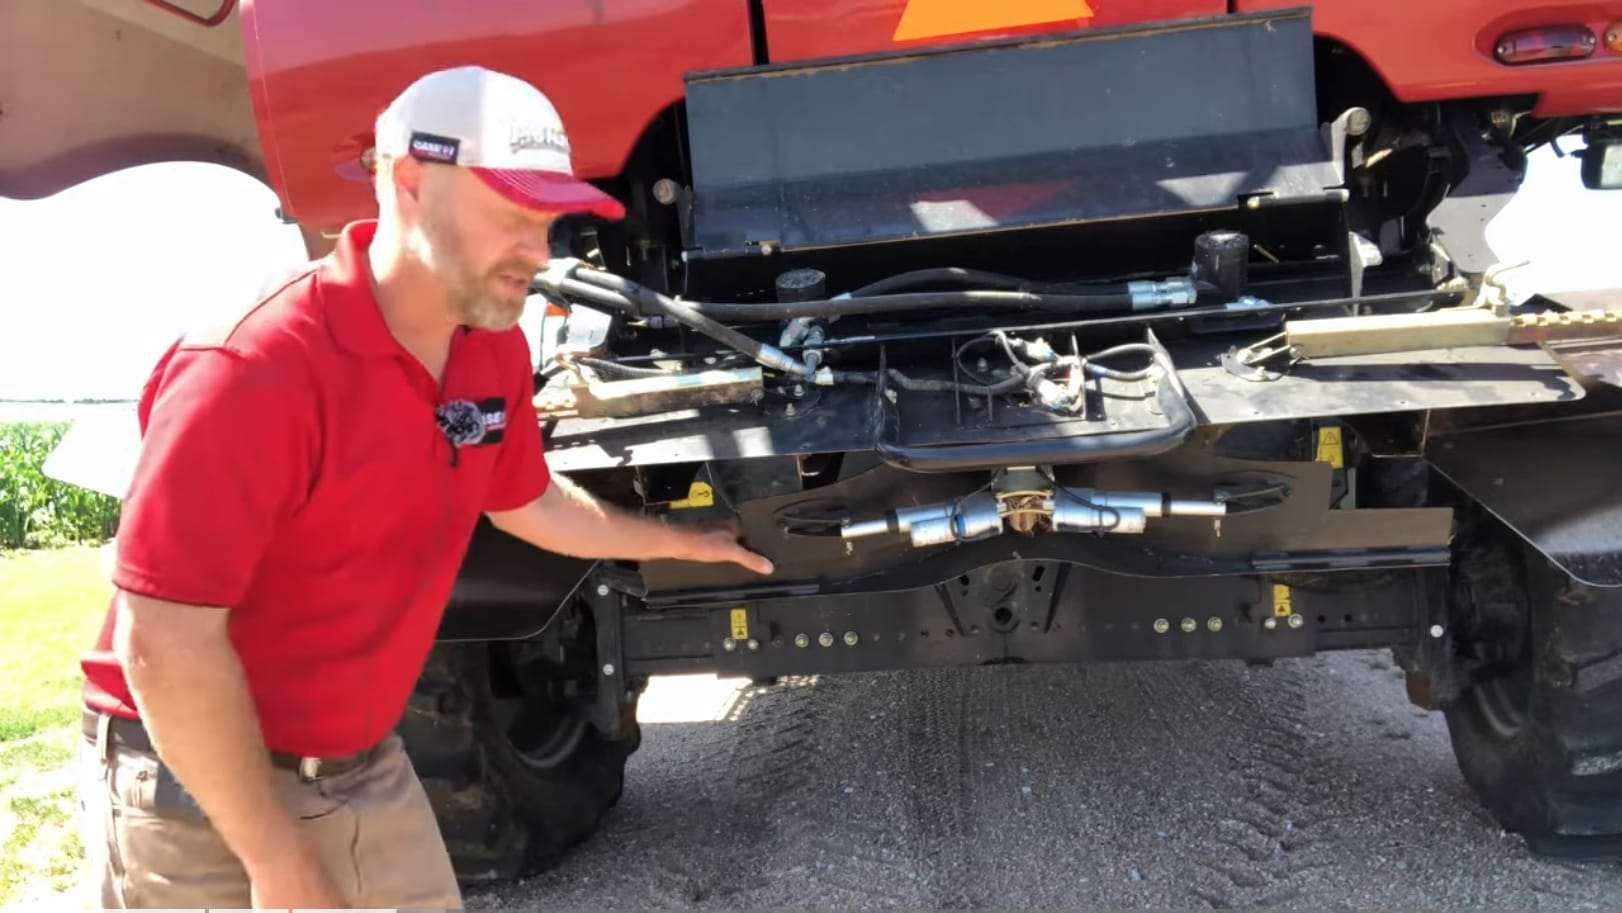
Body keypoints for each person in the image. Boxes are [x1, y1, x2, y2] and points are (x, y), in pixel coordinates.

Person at [74, 65, 773, 910]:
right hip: (203, 793)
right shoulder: (252, 369)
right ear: (407, 182)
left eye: (548, 222)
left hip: (367, 765)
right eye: (514, 216)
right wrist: (276, 858)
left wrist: (681, 541)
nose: (541, 251)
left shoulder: (488, 348)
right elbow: (166, 641)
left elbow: (528, 502)